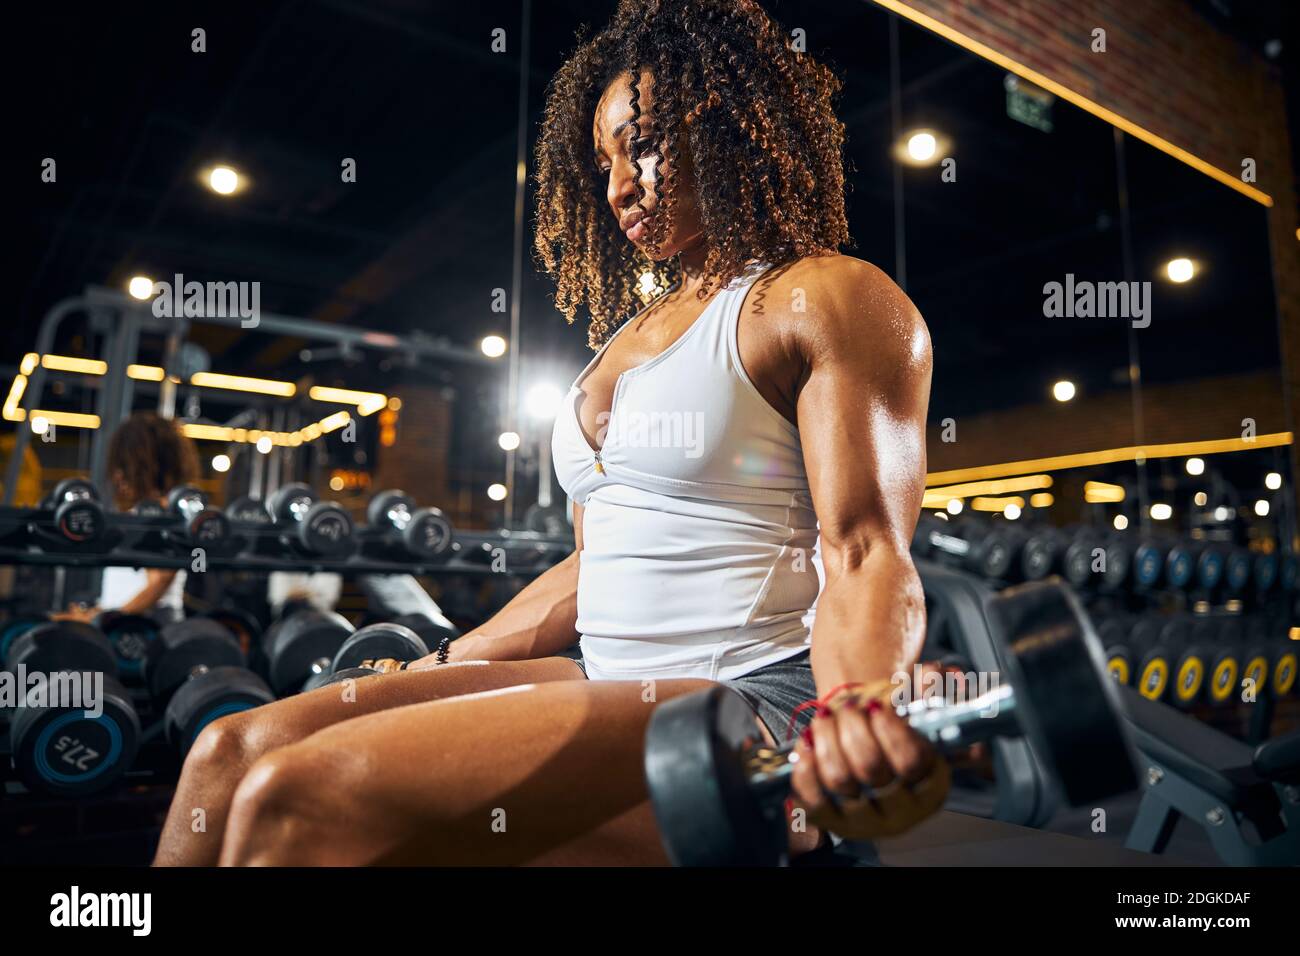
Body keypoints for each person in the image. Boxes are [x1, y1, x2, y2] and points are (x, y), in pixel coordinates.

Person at [155, 0, 942, 867]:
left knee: (298, 801)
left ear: (729, 125)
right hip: (605, 682)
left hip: (750, 698)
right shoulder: (623, 340)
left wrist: (860, 705)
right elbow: (591, 564)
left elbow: (867, 549)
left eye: (641, 144)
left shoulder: (825, 296)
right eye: (602, 162)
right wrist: (441, 660)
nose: (618, 187)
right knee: (230, 754)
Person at [55, 411, 199, 623]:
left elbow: (160, 580)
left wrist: (103, 621)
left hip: (147, 626)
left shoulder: (158, 513)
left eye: (126, 466)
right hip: (130, 621)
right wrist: (98, 614)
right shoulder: (146, 512)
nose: (118, 476)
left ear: (147, 465)